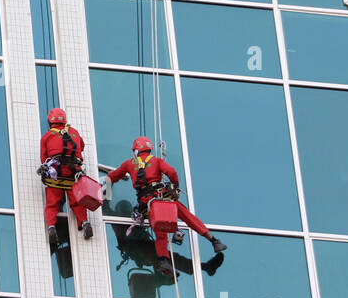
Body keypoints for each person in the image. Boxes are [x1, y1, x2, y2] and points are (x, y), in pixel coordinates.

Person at [106, 138, 226, 275]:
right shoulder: (157, 161)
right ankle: (214, 240)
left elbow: (112, 176)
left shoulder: (129, 164)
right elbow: (172, 173)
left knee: (160, 230)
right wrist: (175, 187)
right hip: (162, 200)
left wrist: (105, 189)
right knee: (187, 216)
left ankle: (164, 261)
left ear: (136, 150)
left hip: (147, 205)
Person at [38, 107, 94, 245]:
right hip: (72, 174)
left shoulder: (46, 137)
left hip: (55, 176)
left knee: (52, 204)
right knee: (76, 202)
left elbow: (43, 158)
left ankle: (51, 226)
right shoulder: (74, 132)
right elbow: (81, 146)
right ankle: (85, 222)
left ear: (50, 122)